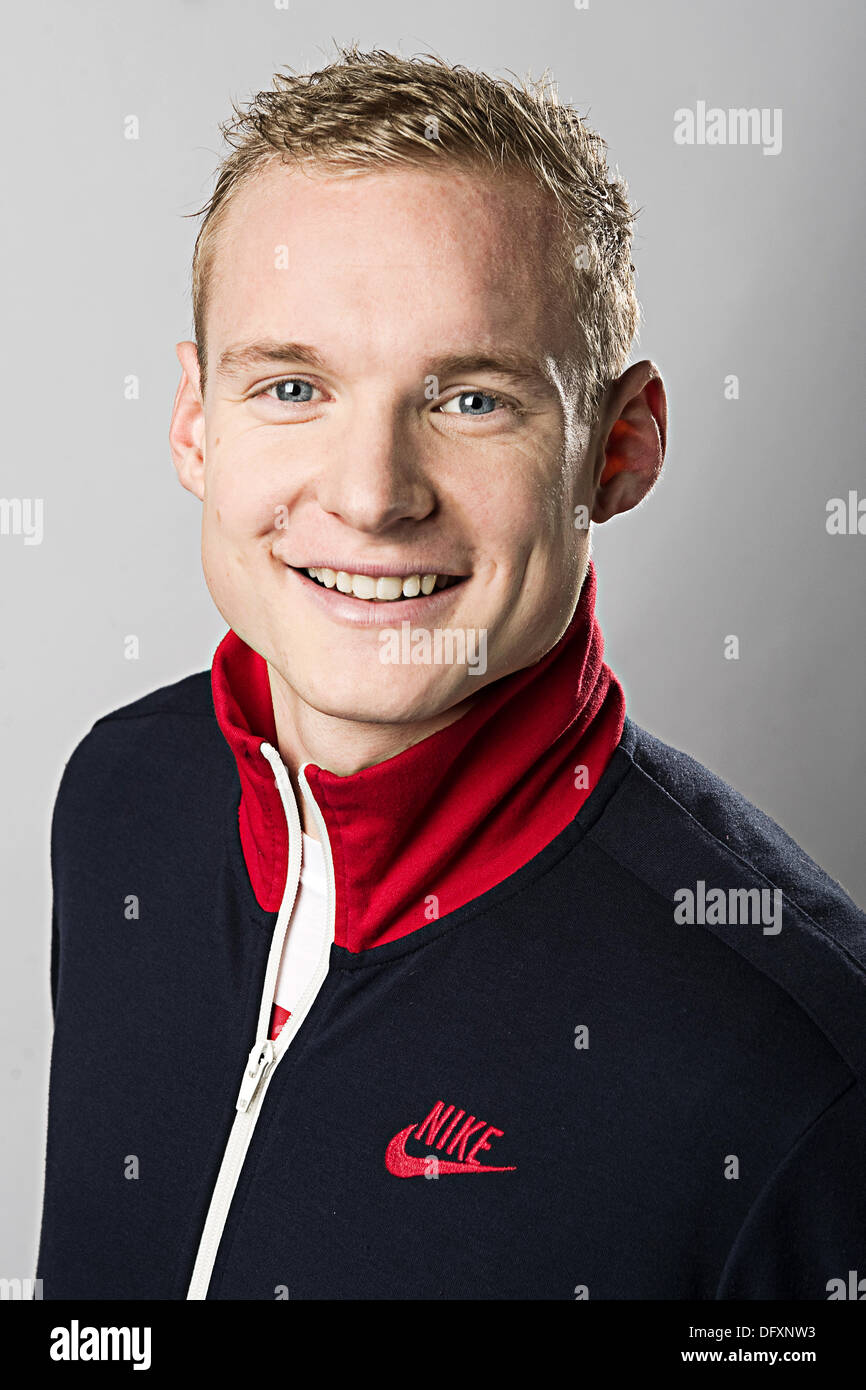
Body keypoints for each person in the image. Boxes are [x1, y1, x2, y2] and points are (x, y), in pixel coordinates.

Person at [36, 45, 866, 1301]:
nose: (371, 495)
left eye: (471, 400)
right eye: (293, 385)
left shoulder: (801, 1062)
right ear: (196, 421)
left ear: (619, 448)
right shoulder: (120, 795)